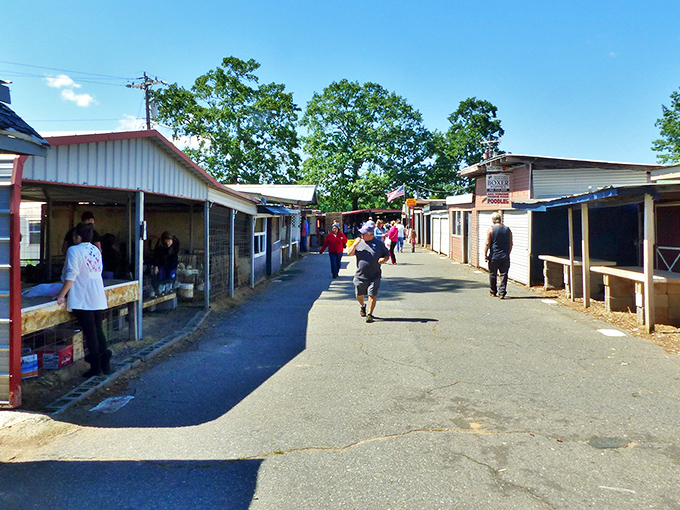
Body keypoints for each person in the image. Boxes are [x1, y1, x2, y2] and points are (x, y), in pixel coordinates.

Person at [56, 223, 111, 377]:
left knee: (90, 331)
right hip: (97, 293)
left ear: (77, 237)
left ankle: (95, 366)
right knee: (98, 329)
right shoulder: (95, 250)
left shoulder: (73, 250)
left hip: (82, 295)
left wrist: (62, 294)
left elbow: (72, 274)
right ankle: (105, 362)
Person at [347, 220, 390, 323]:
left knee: (372, 294)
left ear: (370, 234)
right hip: (360, 275)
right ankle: (363, 305)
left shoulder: (379, 244)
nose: (361, 235)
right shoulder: (359, 243)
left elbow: (387, 255)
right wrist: (354, 244)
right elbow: (349, 253)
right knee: (359, 294)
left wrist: (383, 259)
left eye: (363, 233)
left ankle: (370, 314)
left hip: (374, 274)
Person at [484, 212, 513, 299]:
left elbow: (487, 243)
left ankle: (493, 291)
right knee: (504, 274)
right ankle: (502, 293)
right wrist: (508, 253)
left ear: (493, 220)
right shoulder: (507, 229)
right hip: (505, 256)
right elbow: (511, 243)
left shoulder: (491, 229)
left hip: (494, 256)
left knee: (493, 274)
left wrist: (485, 255)